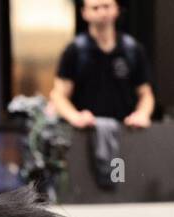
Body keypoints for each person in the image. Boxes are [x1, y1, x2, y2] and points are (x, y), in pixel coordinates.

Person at [49, 0, 154, 129]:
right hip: (85, 133)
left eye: (106, 6)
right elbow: (59, 95)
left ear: (116, 9)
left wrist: (142, 115)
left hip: (125, 132)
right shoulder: (75, 51)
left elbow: (145, 94)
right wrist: (75, 117)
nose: (102, 12)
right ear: (84, 13)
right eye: (95, 8)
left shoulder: (132, 49)